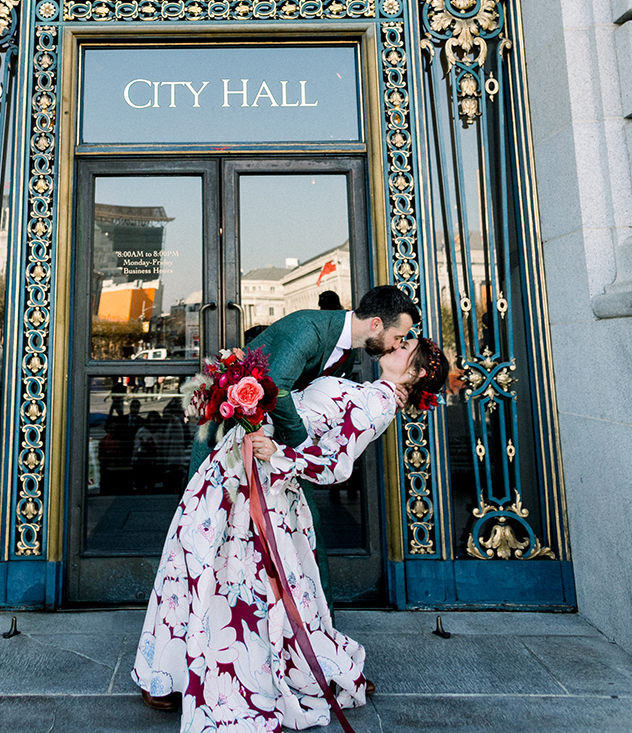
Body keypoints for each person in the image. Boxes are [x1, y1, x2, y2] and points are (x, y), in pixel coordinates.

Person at [133, 336, 449, 730]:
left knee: (223, 572)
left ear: (416, 373)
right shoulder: (371, 392)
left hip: (261, 477)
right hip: (240, 462)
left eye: (405, 349)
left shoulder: (380, 403)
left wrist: (277, 454)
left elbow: (335, 465)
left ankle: (192, 674)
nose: (395, 347)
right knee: (201, 562)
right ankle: (171, 671)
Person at [189, 285, 420, 607]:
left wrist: (388, 393)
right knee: (220, 534)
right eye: (399, 336)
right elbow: (277, 389)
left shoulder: (347, 351)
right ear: (377, 324)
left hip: (277, 450)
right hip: (236, 439)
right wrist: (302, 446)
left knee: (300, 534)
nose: (398, 344)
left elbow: (321, 402)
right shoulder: (308, 328)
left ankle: (300, 623)